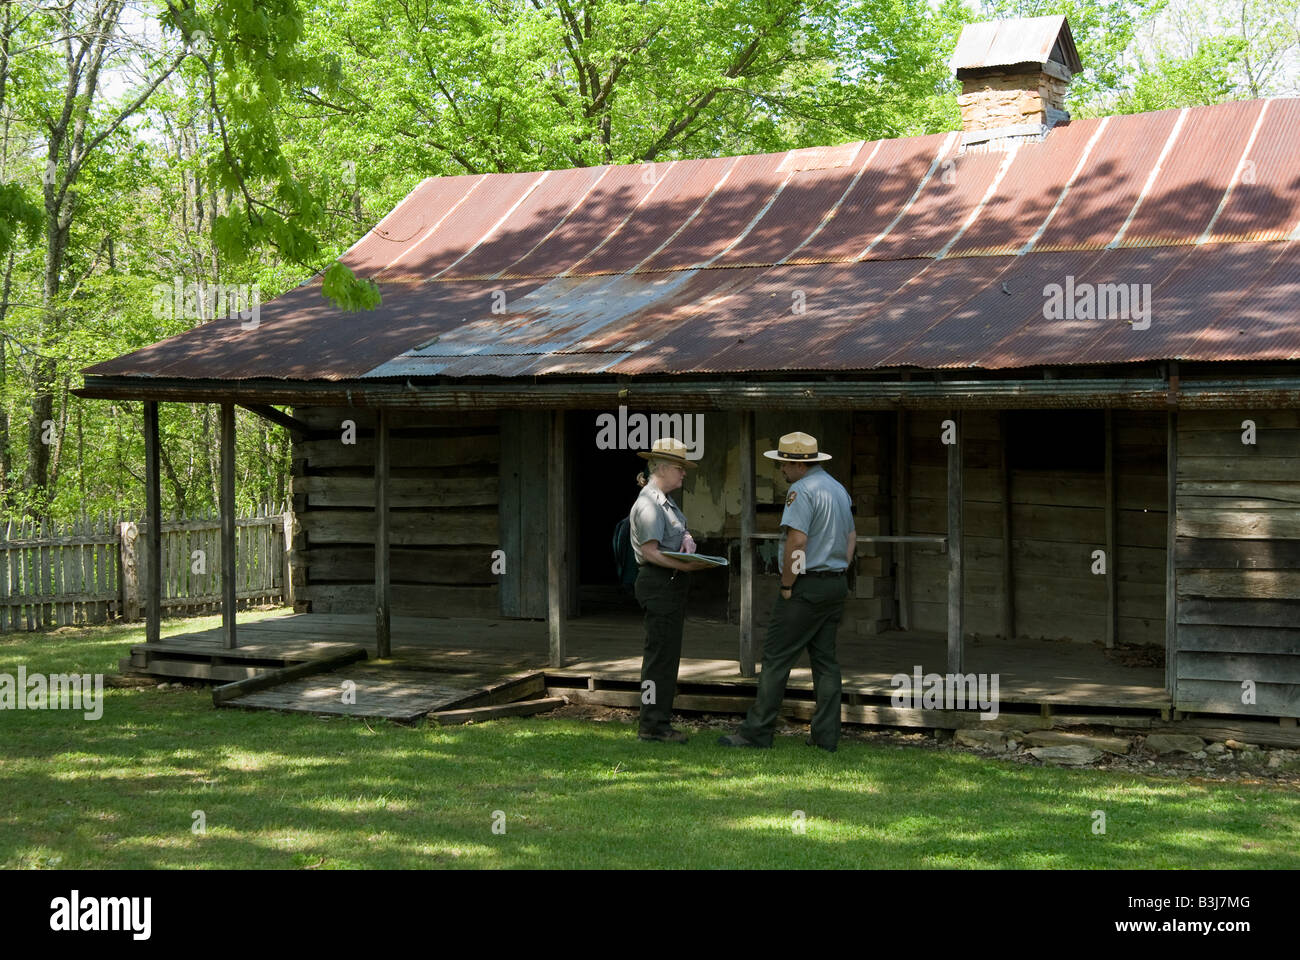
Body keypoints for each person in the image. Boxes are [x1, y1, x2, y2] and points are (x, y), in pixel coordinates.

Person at [719, 431, 856, 752]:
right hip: (835, 582)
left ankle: (757, 732)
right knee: (825, 661)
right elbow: (851, 537)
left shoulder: (801, 491)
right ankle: (825, 737)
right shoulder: (838, 489)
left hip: (806, 585)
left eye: (783, 462)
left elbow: (797, 541)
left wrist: (787, 584)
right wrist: (838, 569)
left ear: (798, 464)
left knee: (776, 659)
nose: (781, 469)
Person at [629, 437, 714, 743]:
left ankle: (658, 722)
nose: (684, 473)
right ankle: (651, 725)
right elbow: (651, 552)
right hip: (659, 583)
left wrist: (688, 539)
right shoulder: (649, 504)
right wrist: (685, 566)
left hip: (669, 584)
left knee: (666, 656)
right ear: (663, 468)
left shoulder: (664, 500)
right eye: (680, 467)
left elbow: (677, 529)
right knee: (659, 658)